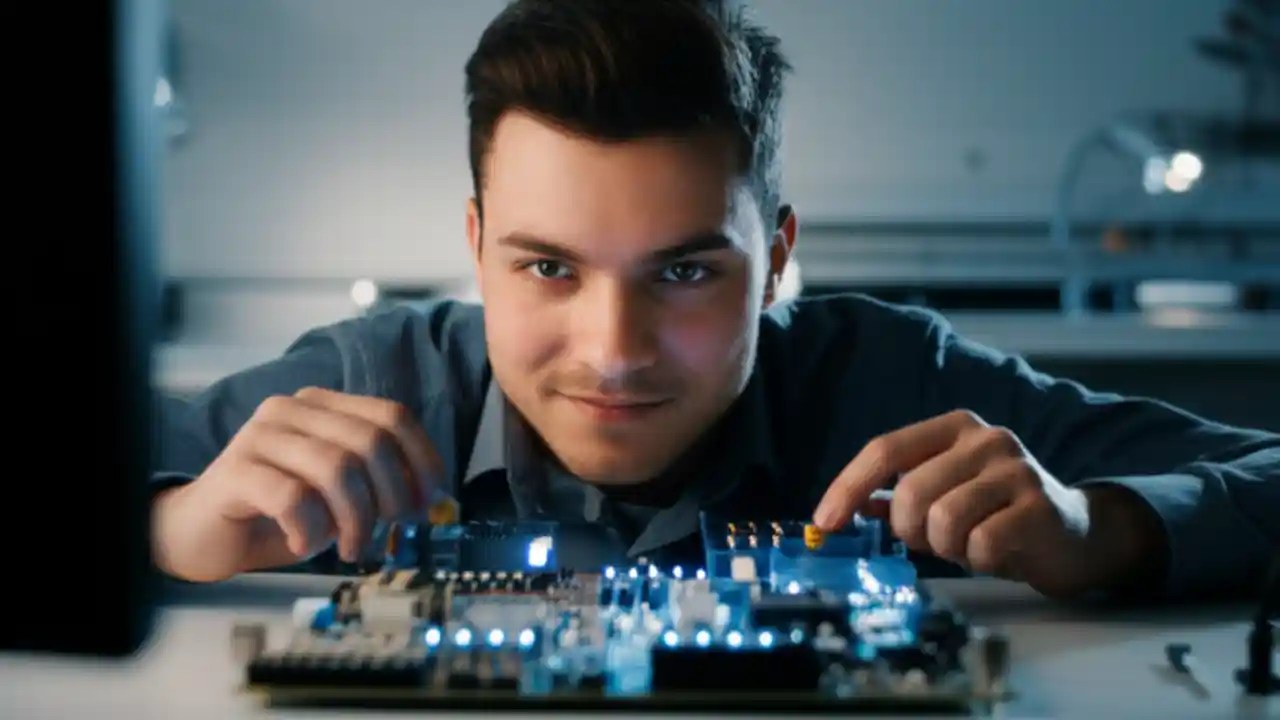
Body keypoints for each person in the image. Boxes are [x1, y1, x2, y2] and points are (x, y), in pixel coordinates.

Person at [150, 0, 1279, 601]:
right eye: (548, 268)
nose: (615, 353)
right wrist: (163, 524)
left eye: (684, 272)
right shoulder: (368, 380)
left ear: (778, 256)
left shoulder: (896, 382)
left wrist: (1099, 532)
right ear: (475, 245)